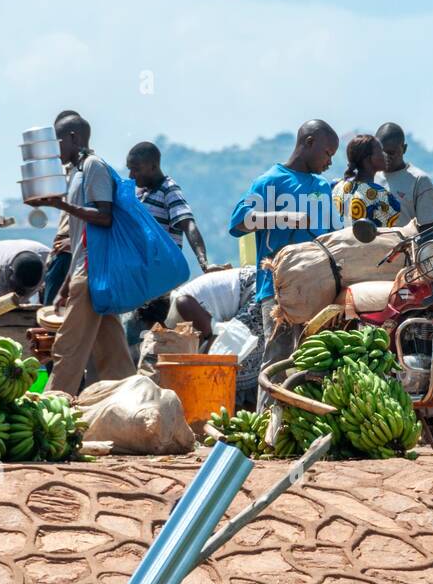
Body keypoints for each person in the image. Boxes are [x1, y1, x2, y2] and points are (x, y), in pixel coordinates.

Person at [230, 120, 337, 403]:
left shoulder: (323, 187)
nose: (330, 161)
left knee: (314, 363)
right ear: (309, 142)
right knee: (277, 362)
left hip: (318, 291)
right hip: (278, 292)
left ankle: (303, 429)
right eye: (327, 153)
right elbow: (238, 222)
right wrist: (281, 218)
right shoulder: (269, 182)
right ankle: (268, 431)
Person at [37, 111, 135, 394]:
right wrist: (67, 281)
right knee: (113, 350)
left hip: (93, 273)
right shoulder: (77, 173)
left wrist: (62, 206)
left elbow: (104, 216)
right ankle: (130, 397)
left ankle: (52, 407)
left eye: (57, 143)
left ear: (73, 138)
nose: (55, 153)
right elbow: (83, 235)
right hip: (86, 271)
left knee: (67, 347)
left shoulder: (93, 167)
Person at [163, 266, 264, 408]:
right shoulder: (181, 317)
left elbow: (214, 337)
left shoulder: (180, 306)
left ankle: (239, 412)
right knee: (248, 357)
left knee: (231, 360)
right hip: (257, 283)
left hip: (256, 288)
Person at [126, 141, 218, 273]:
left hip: (161, 271)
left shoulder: (168, 190)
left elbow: (188, 225)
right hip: (141, 270)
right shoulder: (140, 193)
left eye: (136, 169)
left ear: (153, 166)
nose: (131, 175)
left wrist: (203, 262)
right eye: (129, 169)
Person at [374, 122, 433, 228]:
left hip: (407, 243)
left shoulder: (419, 180)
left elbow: (428, 229)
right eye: (381, 152)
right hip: (374, 244)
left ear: (404, 149)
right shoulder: (370, 178)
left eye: (391, 152)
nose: (386, 157)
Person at [332, 134, 401, 228]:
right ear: (368, 159)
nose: (385, 155)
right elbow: (391, 230)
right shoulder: (379, 195)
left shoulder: (337, 186)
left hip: (337, 242)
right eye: (380, 151)